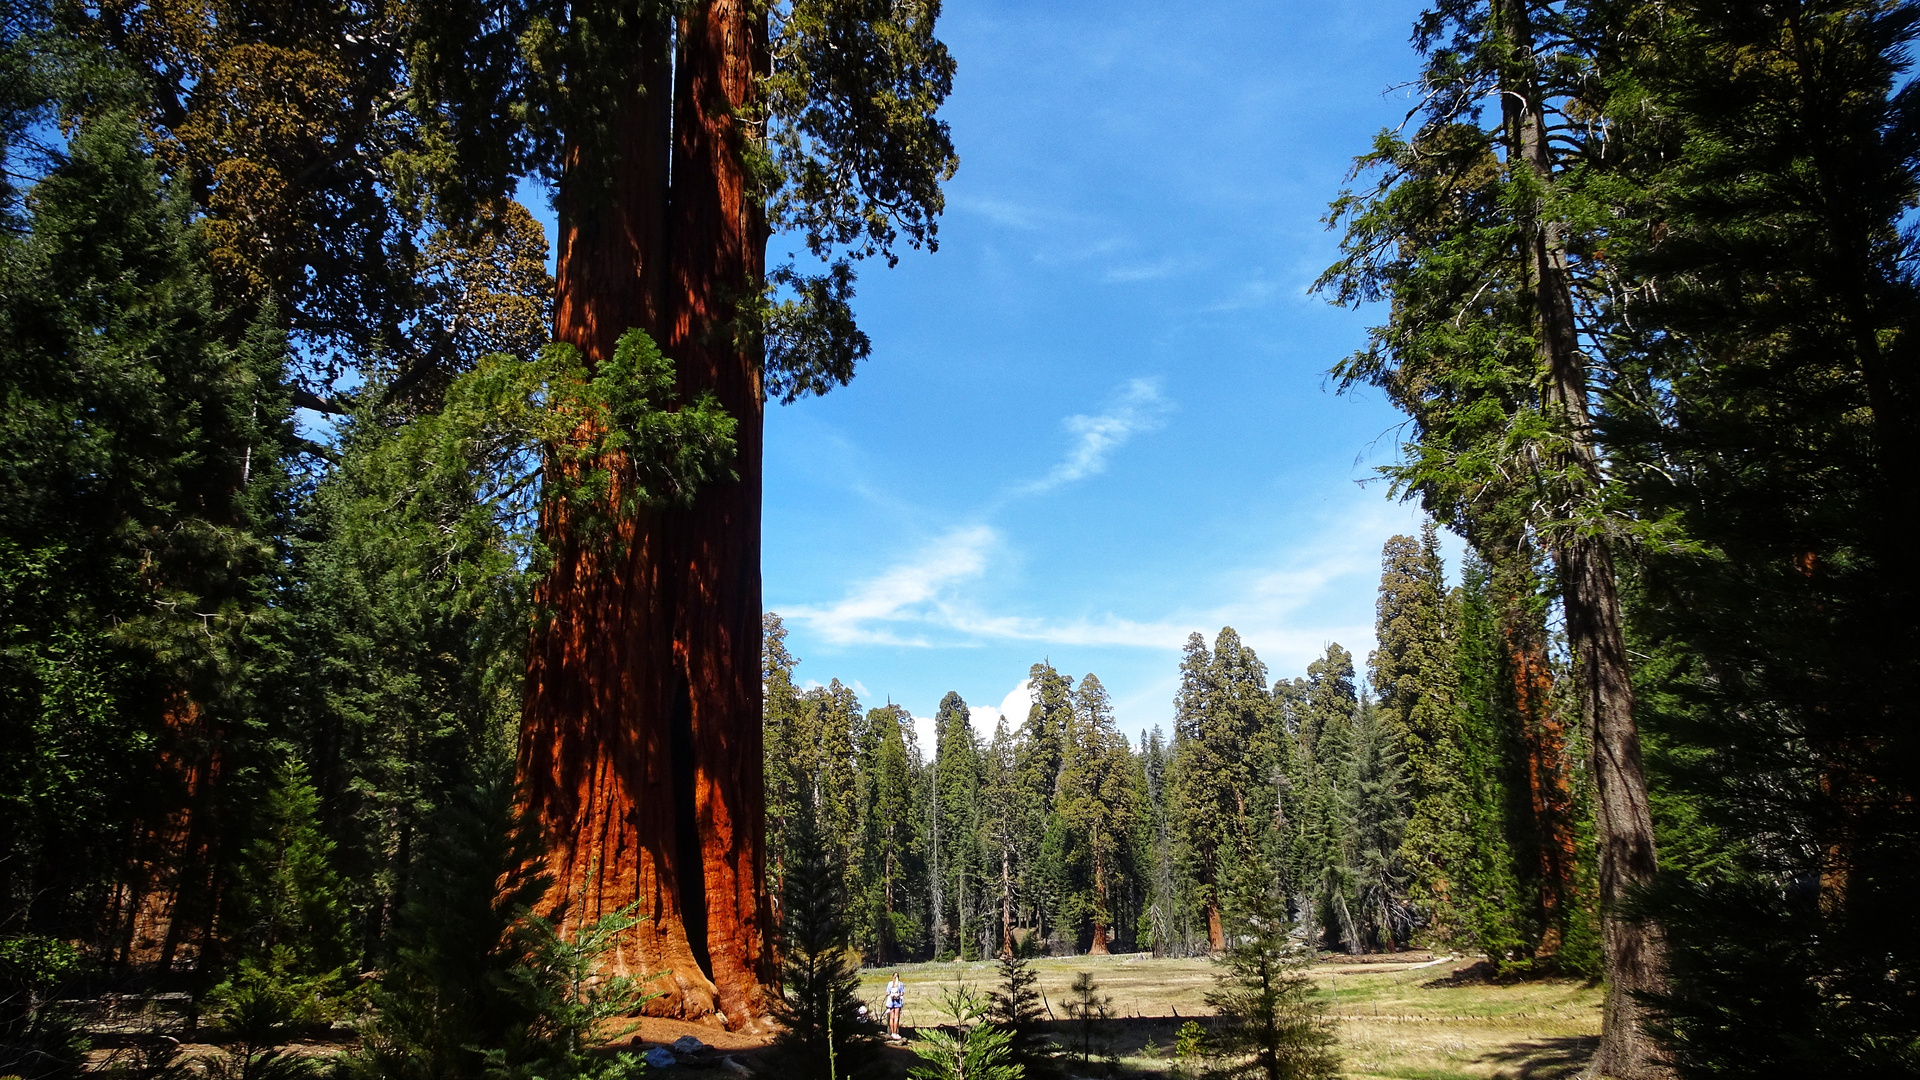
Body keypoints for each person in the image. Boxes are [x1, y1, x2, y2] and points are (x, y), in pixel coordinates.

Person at [885, 972, 906, 1041]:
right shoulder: (900, 984)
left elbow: (887, 993)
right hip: (898, 1001)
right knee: (896, 1017)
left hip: (891, 1001)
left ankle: (892, 1033)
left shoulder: (889, 983)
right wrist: (898, 994)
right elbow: (902, 993)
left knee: (891, 1017)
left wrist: (892, 994)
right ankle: (895, 1033)